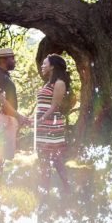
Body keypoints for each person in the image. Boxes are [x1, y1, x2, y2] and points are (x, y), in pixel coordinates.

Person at [0, 47, 31, 176]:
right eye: (12, 58)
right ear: (4, 60)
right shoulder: (0, 76)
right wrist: (19, 116)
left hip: (4, 119)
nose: (14, 61)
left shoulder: (2, 75)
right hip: (1, 119)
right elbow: (0, 99)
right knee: (0, 156)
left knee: (3, 156)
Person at [35, 54, 71, 192]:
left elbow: (55, 106)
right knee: (43, 159)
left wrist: (41, 119)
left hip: (52, 126)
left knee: (56, 159)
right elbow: (43, 105)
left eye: (45, 64)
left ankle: (67, 187)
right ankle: (45, 188)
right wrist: (36, 120)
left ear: (53, 66)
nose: (42, 66)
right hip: (43, 125)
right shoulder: (48, 83)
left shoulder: (59, 83)